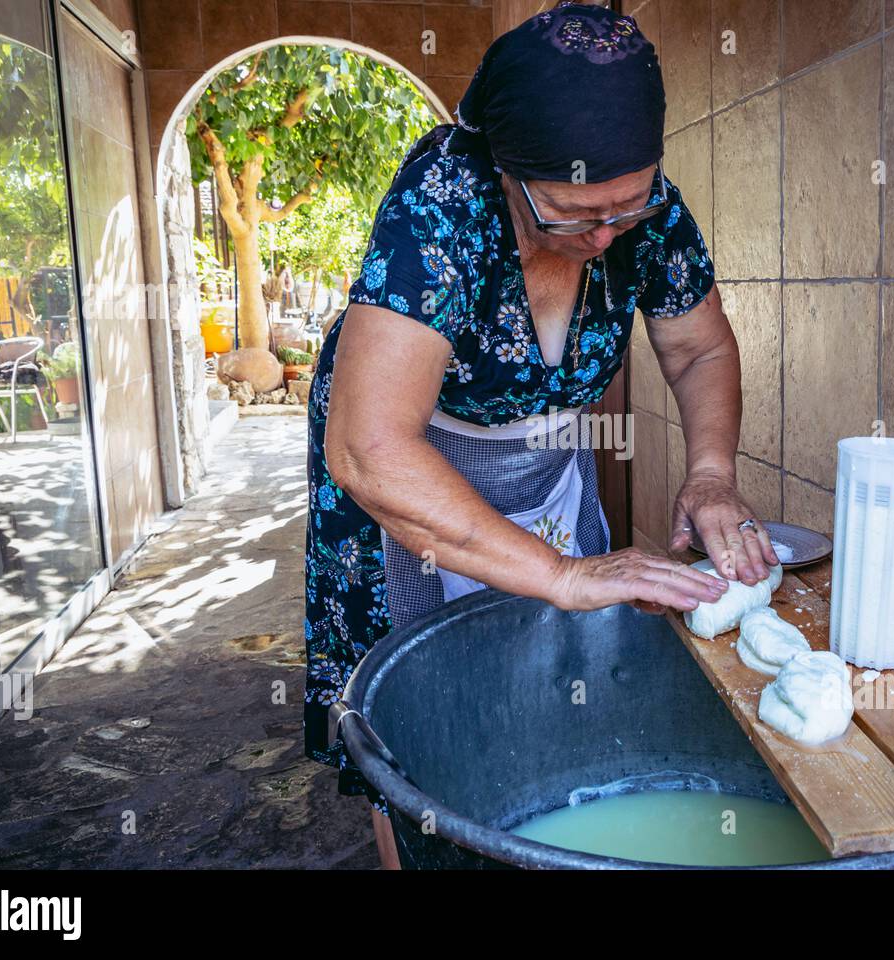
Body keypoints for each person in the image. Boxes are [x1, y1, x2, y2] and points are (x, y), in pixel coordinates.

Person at [303, 2, 777, 867]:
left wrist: (711, 471)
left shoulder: (646, 214)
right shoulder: (442, 207)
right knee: (420, 714)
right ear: (507, 172)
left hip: (543, 469)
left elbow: (700, 346)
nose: (602, 237)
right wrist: (558, 571)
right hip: (407, 473)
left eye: (624, 210)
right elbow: (371, 449)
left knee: (559, 672)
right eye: (570, 214)